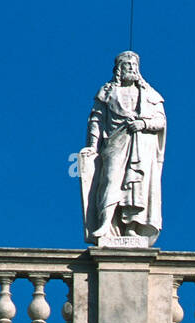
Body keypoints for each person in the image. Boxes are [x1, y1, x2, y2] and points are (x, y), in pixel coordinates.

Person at [80, 51, 166, 245]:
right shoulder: (108, 92)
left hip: (141, 145)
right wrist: (92, 146)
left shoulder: (150, 94)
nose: (131, 68)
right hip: (114, 143)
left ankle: (132, 228)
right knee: (110, 181)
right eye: (127, 64)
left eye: (134, 64)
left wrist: (143, 124)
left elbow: (160, 120)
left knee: (136, 186)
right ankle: (105, 224)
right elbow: (97, 119)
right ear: (119, 68)